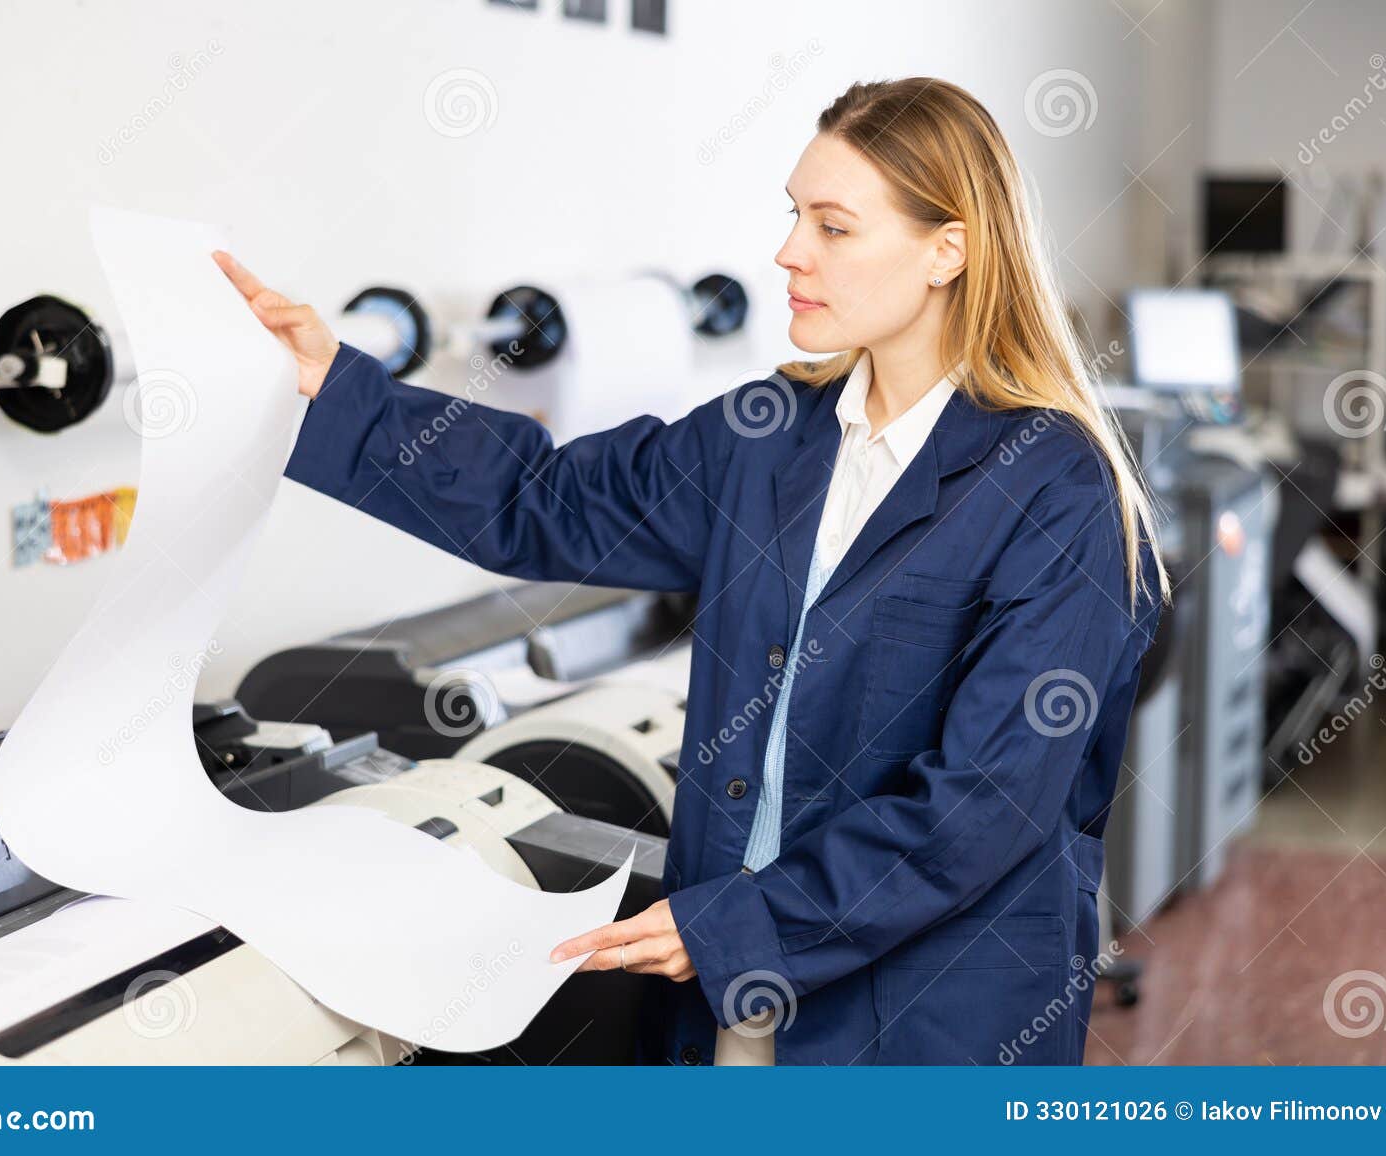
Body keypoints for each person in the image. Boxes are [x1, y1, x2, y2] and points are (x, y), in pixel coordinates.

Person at [215, 76, 1168, 1067]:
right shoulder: (770, 436)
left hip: (922, 1019)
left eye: (833, 227)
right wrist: (338, 389)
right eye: (795, 216)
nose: (788, 252)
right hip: (737, 999)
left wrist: (741, 926)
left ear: (948, 248)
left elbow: (985, 799)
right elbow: (544, 499)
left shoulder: (1053, 488)